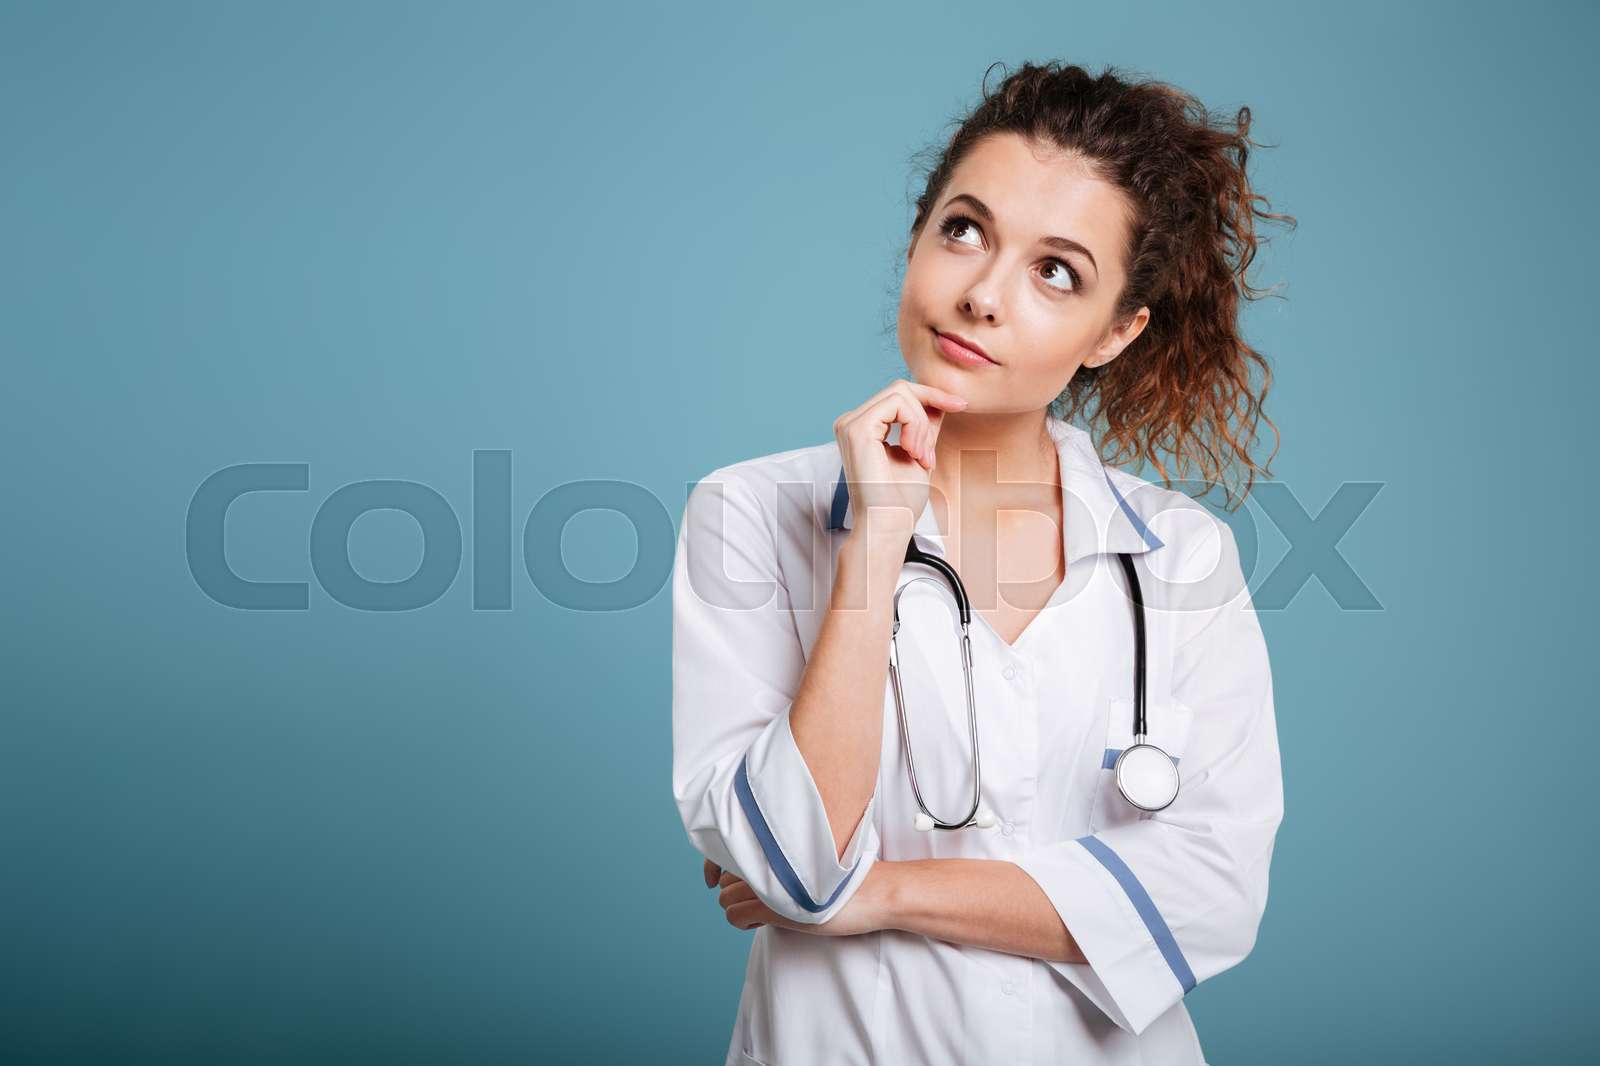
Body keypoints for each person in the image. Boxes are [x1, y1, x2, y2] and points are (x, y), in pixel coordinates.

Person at [671, 59, 1292, 1066]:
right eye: (964, 229)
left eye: (1058, 271)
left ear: (1116, 331)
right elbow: (790, 863)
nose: (982, 296)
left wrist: (875, 892)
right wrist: (876, 536)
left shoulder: (1180, 556)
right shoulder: (748, 514)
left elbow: (1212, 896)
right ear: (916, 238)